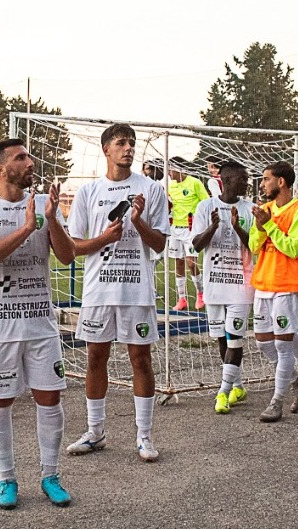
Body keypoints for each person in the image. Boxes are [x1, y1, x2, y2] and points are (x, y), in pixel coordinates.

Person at [0, 139, 76, 509]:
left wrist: (52, 219)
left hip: (40, 324)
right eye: (20, 158)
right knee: (0, 402)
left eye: (29, 156)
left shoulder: (44, 205)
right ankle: (7, 479)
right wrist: (27, 228)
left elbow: (67, 256)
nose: (30, 162)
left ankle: (50, 475)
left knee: (50, 398)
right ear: (0, 169)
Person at [65, 124, 169, 461]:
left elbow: (161, 244)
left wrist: (138, 223)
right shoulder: (88, 192)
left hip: (136, 289)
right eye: (120, 143)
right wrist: (104, 239)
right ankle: (95, 432)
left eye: (132, 143)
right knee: (96, 356)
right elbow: (73, 246)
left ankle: (144, 436)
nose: (128, 149)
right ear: (106, 149)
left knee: (141, 358)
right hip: (98, 290)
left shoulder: (150, 189)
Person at [250, 162, 298, 423]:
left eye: (266, 179)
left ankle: (277, 401)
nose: (263, 184)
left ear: (282, 182)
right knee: (262, 342)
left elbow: (293, 249)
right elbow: (254, 245)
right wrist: (263, 226)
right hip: (263, 283)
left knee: (282, 344)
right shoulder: (265, 210)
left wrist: (271, 226)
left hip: (286, 285)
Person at [191, 161, 254, 414]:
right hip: (215, 284)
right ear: (226, 180)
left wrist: (238, 227)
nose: (246, 183)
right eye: (242, 179)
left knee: (235, 339)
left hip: (241, 284)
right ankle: (237, 385)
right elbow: (196, 244)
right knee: (221, 337)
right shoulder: (206, 207)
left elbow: (255, 246)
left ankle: (223, 392)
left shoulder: (250, 209)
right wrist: (214, 225)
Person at [166, 156, 209, 311]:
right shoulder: (170, 186)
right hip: (175, 229)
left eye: (171, 169)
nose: (169, 173)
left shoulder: (194, 182)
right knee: (178, 263)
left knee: (191, 263)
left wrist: (199, 221)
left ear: (179, 169)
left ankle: (201, 295)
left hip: (191, 230)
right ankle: (182, 299)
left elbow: (206, 203)